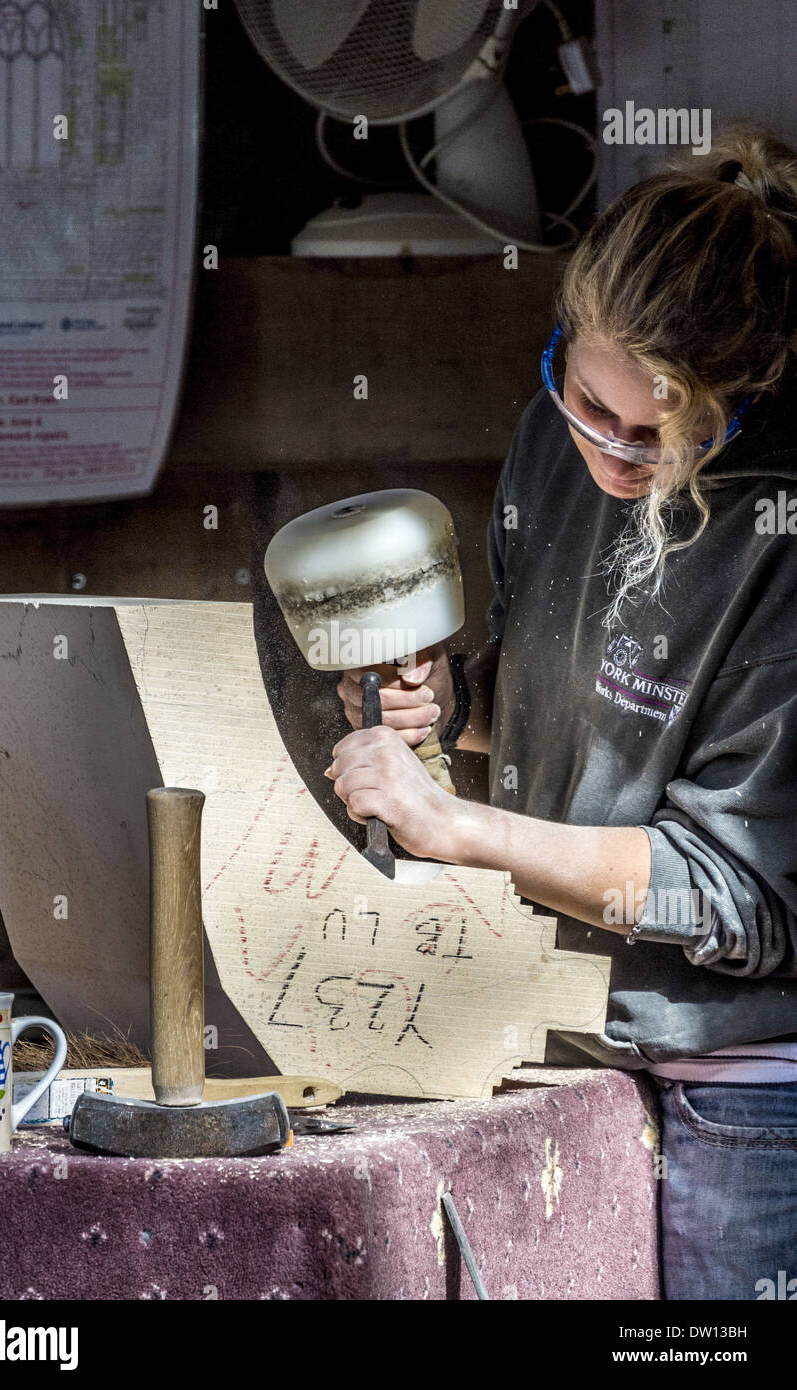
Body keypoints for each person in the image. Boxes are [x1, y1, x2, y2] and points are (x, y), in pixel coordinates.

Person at [327, 125, 797, 1301]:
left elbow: (745, 891)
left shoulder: (778, 534)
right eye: (592, 402)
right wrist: (456, 701)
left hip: (741, 1092)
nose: (614, 450)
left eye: (665, 434)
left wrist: (462, 828)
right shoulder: (552, 440)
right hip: (564, 1036)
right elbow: (575, 706)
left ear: (746, 395)